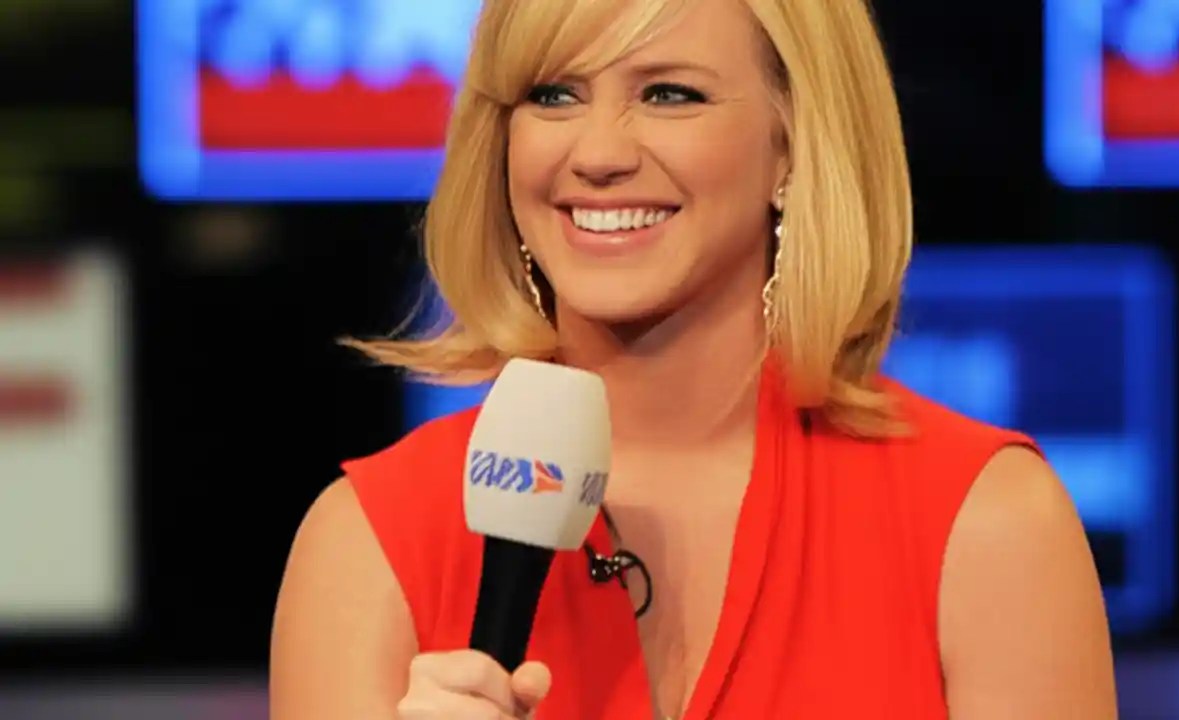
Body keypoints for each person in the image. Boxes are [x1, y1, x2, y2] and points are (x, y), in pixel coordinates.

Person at [269, 0, 1118, 718]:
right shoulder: (368, 545)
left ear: (791, 145)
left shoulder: (987, 526)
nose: (597, 153)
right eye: (552, 94)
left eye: (670, 93)